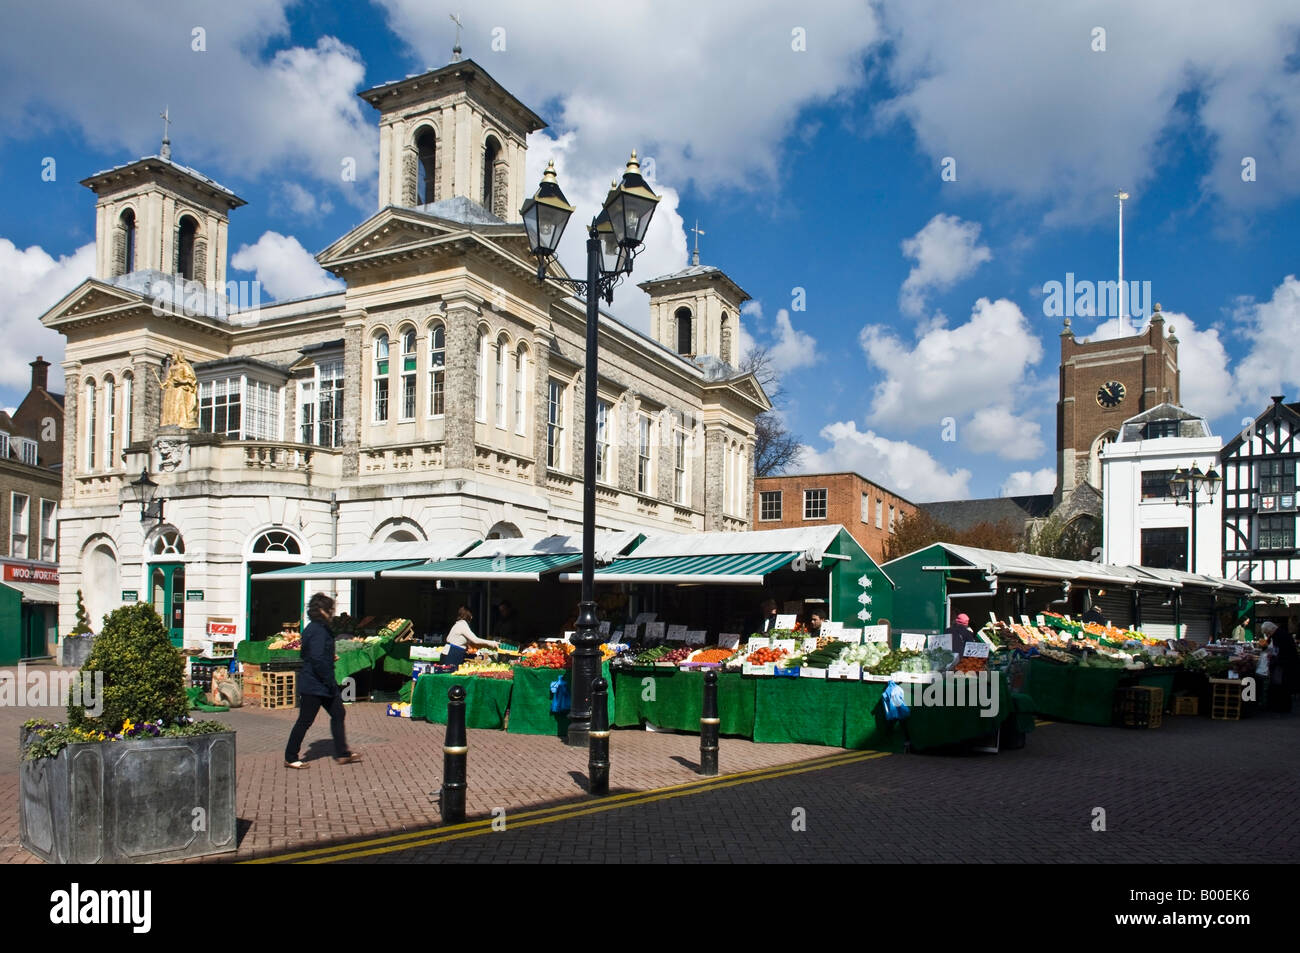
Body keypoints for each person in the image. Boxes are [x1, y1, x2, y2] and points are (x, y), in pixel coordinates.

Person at [284, 593, 361, 769]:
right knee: (305, 720)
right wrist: (328, 679)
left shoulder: (317, 628)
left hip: (321, 683)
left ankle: (342, 753)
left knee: (338, 713)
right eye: (330, 609)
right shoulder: (318, 630)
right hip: (316, 684)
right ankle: (290, 756)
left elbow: (309, 653)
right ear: (322, 611)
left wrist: (328, 656)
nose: (332, 613)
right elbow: (317, 658)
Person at [1264, 620, 1299, 714]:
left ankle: (1282, 707)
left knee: (1281, 685)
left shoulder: (1279, 636)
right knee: (1283, 685)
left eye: (1266, 632)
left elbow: (1281, 651)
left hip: (1284, 664)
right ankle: (1283, 706)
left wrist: (1274, 660)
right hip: (1286, 663)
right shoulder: (1281, 634)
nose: (1267, 635)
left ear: (1270, 630)